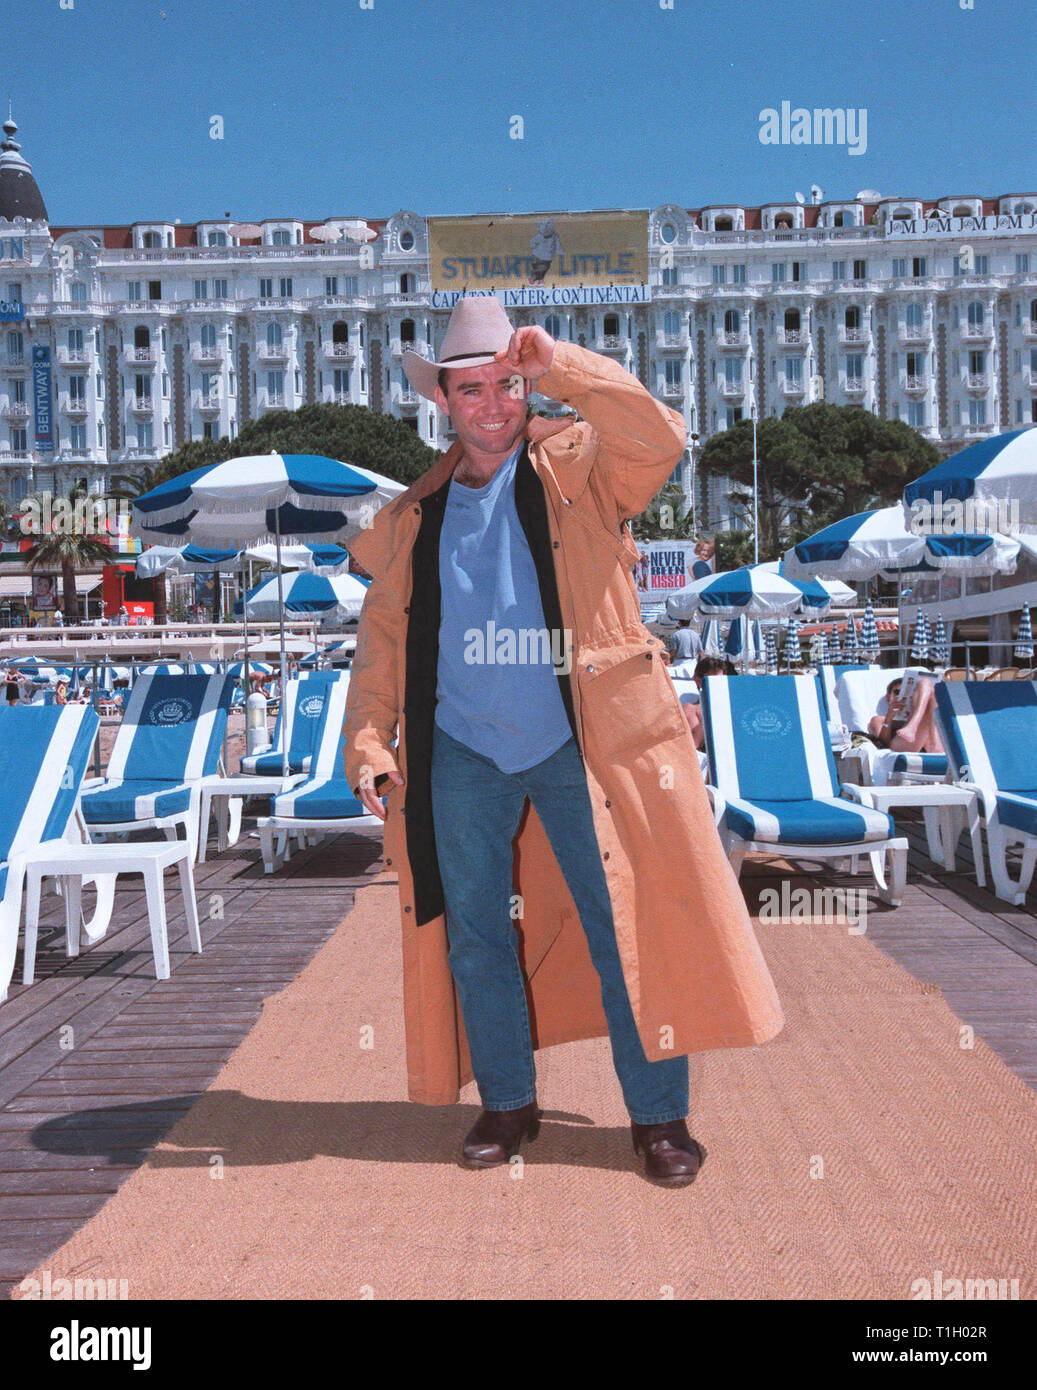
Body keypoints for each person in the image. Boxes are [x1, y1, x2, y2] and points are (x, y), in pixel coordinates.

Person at [343, 297, 782, 1187]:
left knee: (624, 921)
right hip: (459, 748)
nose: (493, 404)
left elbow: (660, 435)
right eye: (472, 389)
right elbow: (382, 641)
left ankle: (658, 1119)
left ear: (523, 383)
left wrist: (563, 364)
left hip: (581, 739)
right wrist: (368, 742)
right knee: (476, 936)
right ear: (445, 402)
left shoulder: (581, 463)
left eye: (507, 383)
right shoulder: (411, 516)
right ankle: (508, 1103)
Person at [867, 675, 945, 753]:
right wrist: (889, 718)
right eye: (897, 692)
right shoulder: (879, 719)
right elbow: (883, 744)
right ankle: (932, 743)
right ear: (888, 697)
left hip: (926, 743)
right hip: (899, 746)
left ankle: (917, 729)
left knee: (926, 683)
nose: (902, 697)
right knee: (926, 682)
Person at [678, 655, 731, 748]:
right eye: (714, 681)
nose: (719, 686)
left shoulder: (731, 706)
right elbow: (693, 747)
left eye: (721, 681)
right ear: (697, 680)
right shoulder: (690, 710)